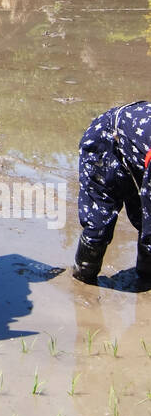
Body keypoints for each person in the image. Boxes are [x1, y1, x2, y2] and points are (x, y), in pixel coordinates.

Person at [74, 101, 151, 284]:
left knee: (142, 219)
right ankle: (83, 279)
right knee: (99, 222)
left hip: (135, 152)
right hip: (106, 140)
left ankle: (146, 277)